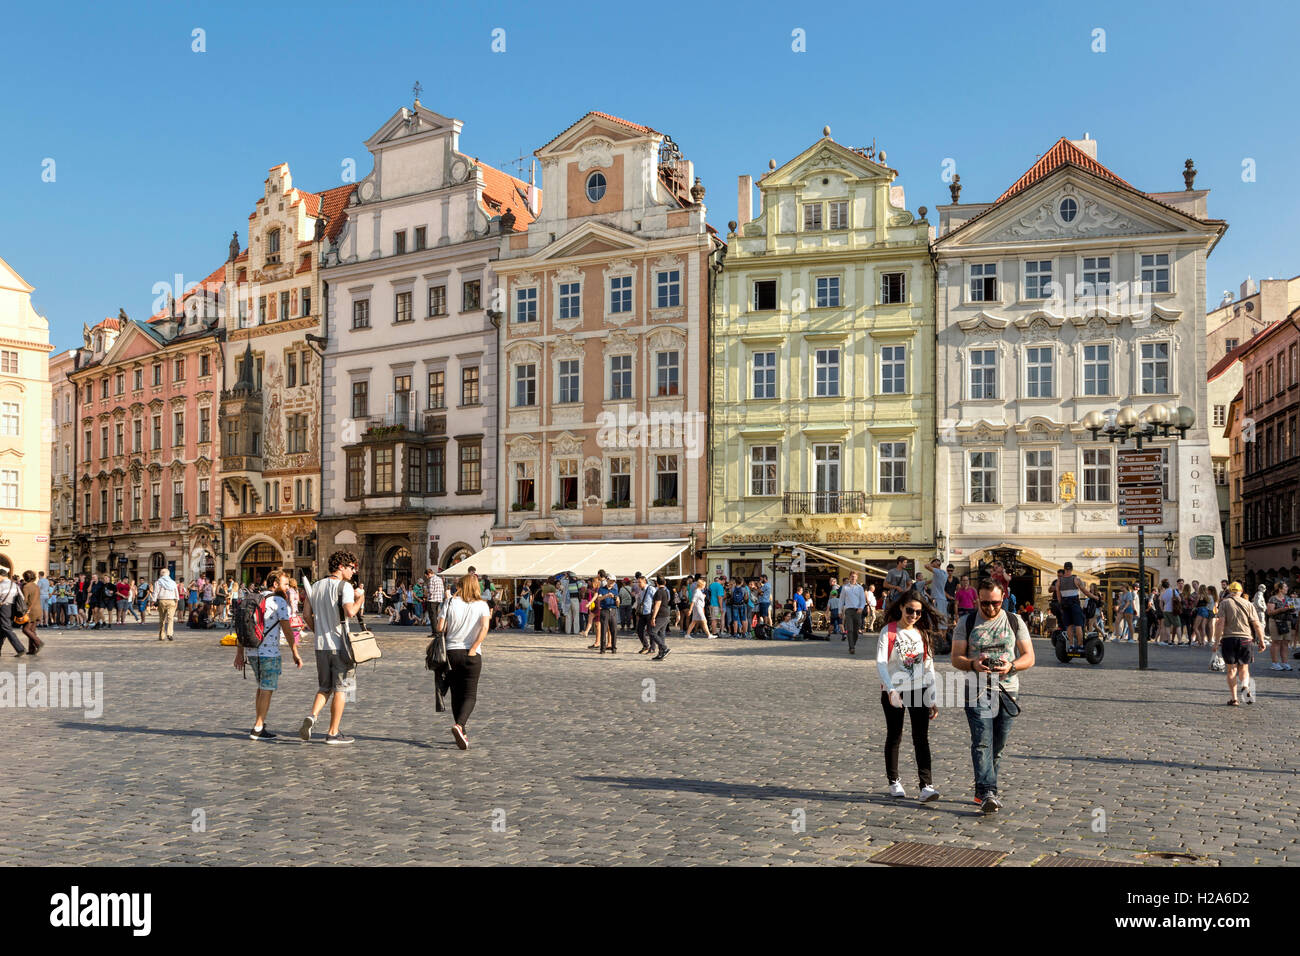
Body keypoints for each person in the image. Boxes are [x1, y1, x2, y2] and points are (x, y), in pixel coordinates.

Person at [951, 579, 1035, 814]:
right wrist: (973, 664)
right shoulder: (967, 623)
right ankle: (989, 791)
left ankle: (983, 791)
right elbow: (956, 657)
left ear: (1003, 598)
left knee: (998, 745)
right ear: (977, 599)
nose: (990, 608)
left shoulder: (1014, 620)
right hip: (976, 690)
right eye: (985, 603)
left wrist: (1011, 666)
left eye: (995, 603)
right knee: (982, 741)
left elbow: (1029, 656)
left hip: (1008, 690)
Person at [877, 593, 940, 802]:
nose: (914, 615)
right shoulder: (889, 631)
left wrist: (932, 695)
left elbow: (929, 666)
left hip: (919, 689)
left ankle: (926, 786)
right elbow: (881, 663)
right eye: (910, 610)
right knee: (895, 735)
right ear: (901, 608)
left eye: (918, 612)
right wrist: (891, 690)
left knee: (921, 738)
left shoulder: (922, 634)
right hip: (895, 690)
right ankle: (894, 780)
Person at [300, 551, 365, 745]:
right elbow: (350, 612)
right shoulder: (344, 587)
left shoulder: (315, 586)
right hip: (340, 645)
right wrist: (360, 598)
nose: (353, 572)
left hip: (321, 646)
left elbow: (306, 615)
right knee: (341, 689)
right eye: (352, 568)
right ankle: (333, 732)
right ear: (341, 567)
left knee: (324, 687)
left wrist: (318, 630)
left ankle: (312, 716)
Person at [233, 570, 303, 740]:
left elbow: (243, 625)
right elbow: (287, 629)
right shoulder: (278, 601)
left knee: (261, 687)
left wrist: (239, 652)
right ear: (275, 584)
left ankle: (260, 724)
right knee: (267, 688)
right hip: (269, 652)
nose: (287, 588)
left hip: (252, 650)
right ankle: (258, 727)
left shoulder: (254, 597)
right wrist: (295, 652)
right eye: (285, 584)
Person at [436, 572, 490, 750]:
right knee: (470, 695)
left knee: (456, 694)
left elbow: (440, 627)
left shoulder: (450, 602)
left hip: (451, 653)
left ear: (460, 586)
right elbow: (484, 627)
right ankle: (460, 725)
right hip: (471, 653)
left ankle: (462, 731)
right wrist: (474, 647)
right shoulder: (482, 605)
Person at [1214, 582, 1265, 705]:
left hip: (1229, 638)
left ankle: (1234, 699)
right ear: (1241, 591)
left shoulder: (1225, 603)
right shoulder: (1248, 604)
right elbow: (1257, 624)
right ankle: (1245, 686)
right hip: (1245, 639)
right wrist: (1262, 640)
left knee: (1231, 669)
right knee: (1244, 667)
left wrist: (1216, 642)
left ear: (1230, 591)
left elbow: (1220, 623)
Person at [0, 566, 30, 656]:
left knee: (6, 628)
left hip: (3, 608)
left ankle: (20, 648)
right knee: (2, 629)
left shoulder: (1, 585)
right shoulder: (14, 585)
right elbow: (22, 597)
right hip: (12, 609)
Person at [1265, 582, 1295, 671]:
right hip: (1275, 622)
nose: (1287, 588)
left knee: (1285, 643)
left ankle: (1285, 663)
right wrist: (1281, 609)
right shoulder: (1273, 599)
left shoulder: (1288, 598)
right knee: (1276, 642)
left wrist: (1293, 609)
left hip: (1287, 622)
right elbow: (1270, 612)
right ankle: (1275, 663)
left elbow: (1292, 609)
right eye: (1285, 587)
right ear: (1280, 589)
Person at [647, 574, 672, 661]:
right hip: (666, 614)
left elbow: (657, 605)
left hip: (661, 615)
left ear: (656, 583)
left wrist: (653, 617)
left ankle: (664, 648)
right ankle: (661, 653)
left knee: (652, 632)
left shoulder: (659, 592)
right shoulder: (665, 591)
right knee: (661, 633)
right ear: (664, 582)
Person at [840, 571, 866, 655]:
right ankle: (851, 647)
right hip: (848, 610)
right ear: (849, 577)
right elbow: (841, 600)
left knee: (855, 631)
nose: (853, 578)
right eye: (852, 576)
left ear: (857, 577)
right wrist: (840, 611)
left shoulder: (860, 588)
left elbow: (863, 600)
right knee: (849, 629)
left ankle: (852, 644)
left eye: (855, 576)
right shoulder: (845, 587)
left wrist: (861, 608)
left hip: (858, 610)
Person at [152, 567, 179, 641]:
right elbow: (176, 591)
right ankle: (170, 634)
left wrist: (153, 601)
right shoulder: (173, 582)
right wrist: (177, 600)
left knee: (162, 619)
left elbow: (156, 592)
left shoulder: (158, 582)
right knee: (170, 618)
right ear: (168, 574)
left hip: (162, 601)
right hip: (171, 601)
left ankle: (162, 635)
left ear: (161, 574)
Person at [597, 574, 619, 654]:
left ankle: (614, 648)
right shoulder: (601, 589)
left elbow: (618, 603)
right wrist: (606, 596)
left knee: (614, 630)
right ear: (607, 580)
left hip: (613, 610)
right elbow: (599, 598)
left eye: (613, 581)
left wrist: (616, 599)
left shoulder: (615, 590)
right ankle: (602, 649)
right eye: (611, 581)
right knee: (604, 629)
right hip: (604, 610)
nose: (612, 583)